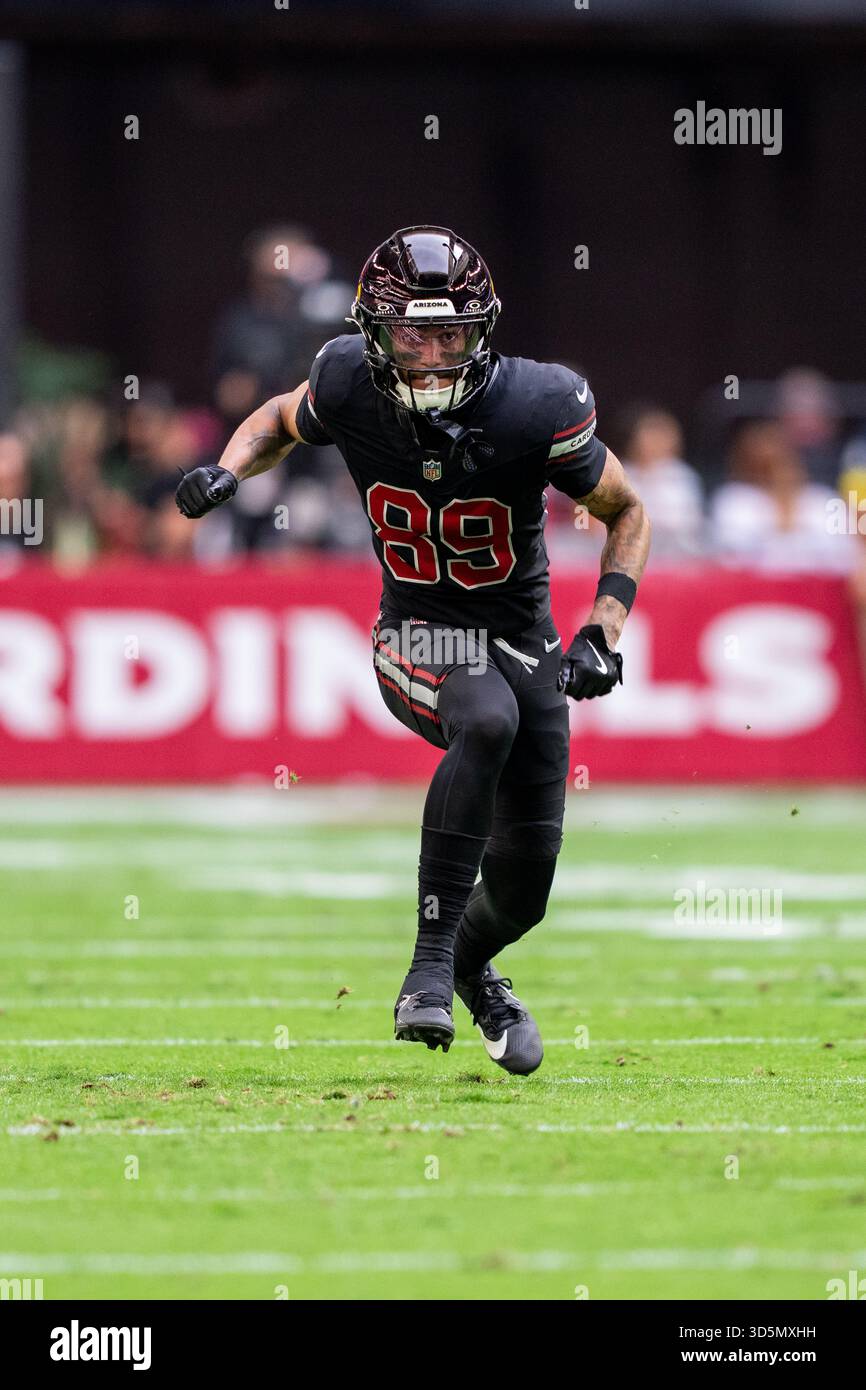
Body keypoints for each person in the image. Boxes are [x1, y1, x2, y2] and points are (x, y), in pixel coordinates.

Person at [176, 226, 650, 1073]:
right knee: (488, 720)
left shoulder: (536, 404)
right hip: (418, 630)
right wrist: (228, 470)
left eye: (451, 333)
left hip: (521, 635)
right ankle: (429, 967)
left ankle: (470, 971)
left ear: (483, 330)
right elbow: (278, 420)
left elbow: (627, 511)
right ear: (375, 333)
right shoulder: (347, 380)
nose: (431, 355)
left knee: (525, 888)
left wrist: (602, 632)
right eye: (411, 334)